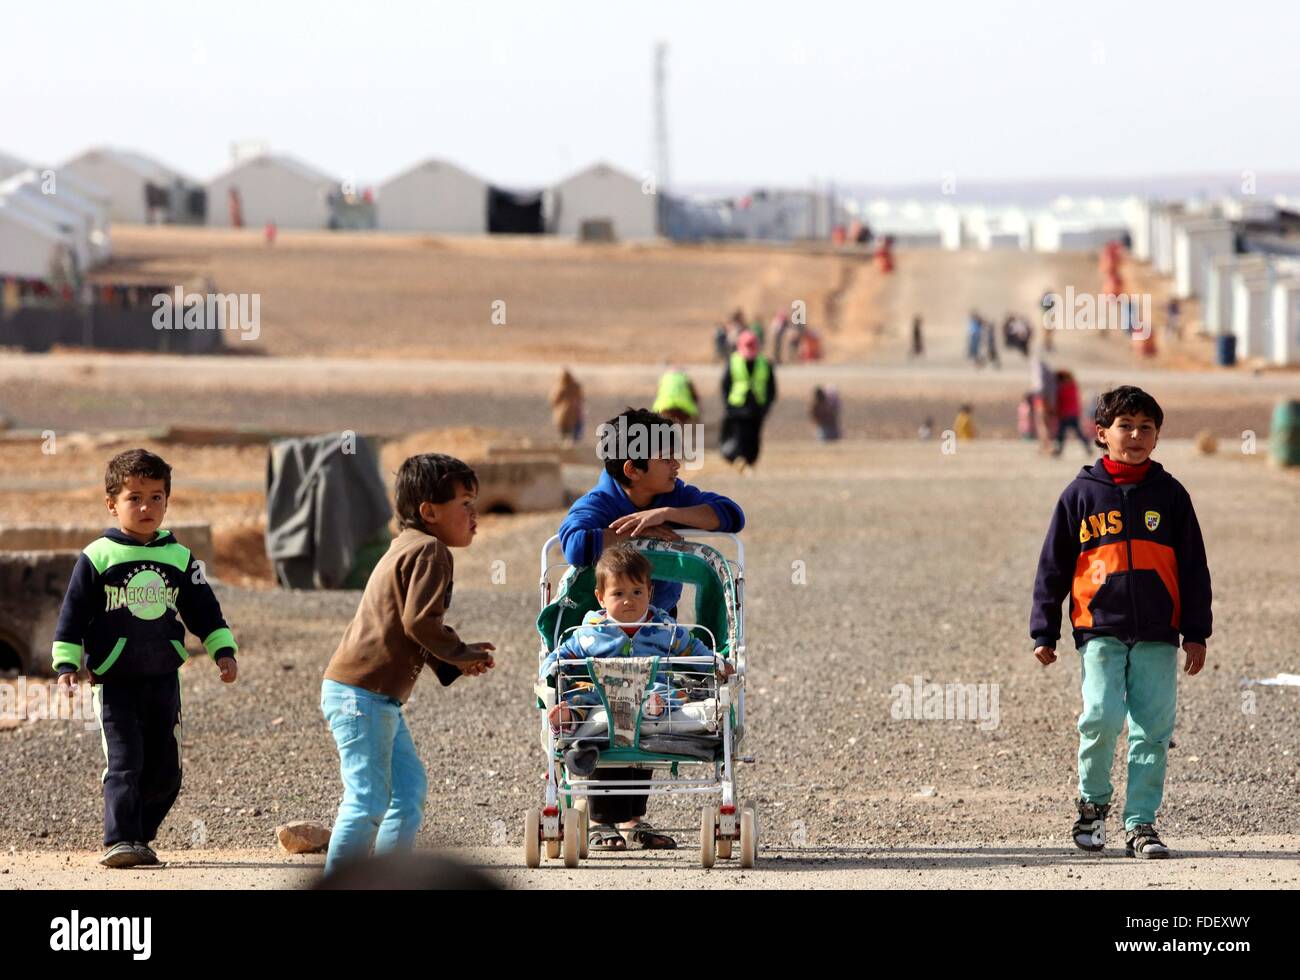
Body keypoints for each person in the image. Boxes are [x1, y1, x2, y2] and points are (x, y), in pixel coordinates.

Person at [1030, 386, 1212, 859]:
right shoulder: (1080, 496)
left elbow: (1194, 567)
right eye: (1125, 426)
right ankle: (1092, 806)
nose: (1135, 435)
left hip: (1158, 633)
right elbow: (1053, 566)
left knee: (1151, 729)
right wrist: (1043, 630)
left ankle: (1141, 824)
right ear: (1101, 433)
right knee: (1101, 717)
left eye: (1146, 427)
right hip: (1100, 630)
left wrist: (1196, 632)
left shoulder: (1171, 496)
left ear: (1157, 436)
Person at [557, 408, 745, 848]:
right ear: (633, 468)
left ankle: (630, 818)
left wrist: (667, 512)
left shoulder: (675, 495)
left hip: (657, 630)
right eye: (667, 457)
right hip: (600, 637)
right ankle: (603, 818)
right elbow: (576, 543)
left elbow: (731, 515)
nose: (677, 464)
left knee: (649, 714)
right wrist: (647, 534)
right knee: (608, 712)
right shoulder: (600, 503)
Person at [52, 449, 239, 868]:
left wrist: (222, 650)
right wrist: (66, 665)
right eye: (134, 497)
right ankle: (120, 840)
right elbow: (72, 615)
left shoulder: (179, 558)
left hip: (163, 679)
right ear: (112, 504)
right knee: (124, 762)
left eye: (156, 497)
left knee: (166, 771)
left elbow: (204, 611)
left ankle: (140, 836)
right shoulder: (98, 557)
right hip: (114, 680)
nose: (146, 507)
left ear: (167, 502)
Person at [320, 454, 496, 876]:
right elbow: (420, 622)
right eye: (464, 503)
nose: (474, 514)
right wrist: (458, 653)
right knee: (367, 801)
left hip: (373, 698)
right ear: (429, 512)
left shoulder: (407, 545)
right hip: (363, 696)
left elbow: (411, 625)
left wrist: (454, 660)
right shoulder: (431, 551)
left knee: (408, 791)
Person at [540, 545, 715, 739]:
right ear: (601, 598)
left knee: (673, 694)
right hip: (602, 692)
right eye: (618, 594)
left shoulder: (664, 627)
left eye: (637, 592)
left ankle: (654, 711)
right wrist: (550, 668)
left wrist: (715, 664)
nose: (628, 601)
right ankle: (568, 721)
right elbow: (565, 653)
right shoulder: (590, 631)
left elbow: (691, 647)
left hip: (650, 688)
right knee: (580, 697)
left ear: (650, 592)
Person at [720, 330, 777, 472]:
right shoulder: (733, 361)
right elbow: (725, 385)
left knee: (754, 437)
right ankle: (739, 460)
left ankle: (750, 462)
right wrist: (728, 405)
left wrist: (766, 407)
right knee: (738, 435)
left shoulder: (764, 363)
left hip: (757, 408)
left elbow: (771, 388)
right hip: (738, 407)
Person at [1052, 370, 1091, 456]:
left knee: (1061, 434)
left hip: (1064, 414)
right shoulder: (1073, 386)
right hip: (1074, 414)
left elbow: (1059, 401)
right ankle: (1088, 448)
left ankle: (1059, 451)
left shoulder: (1061, 388)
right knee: (1079, 433)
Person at [550, 369, 584, 445]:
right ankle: (574, 443)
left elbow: (553, 401)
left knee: (565, 435)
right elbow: (581, 398)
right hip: (574, 415)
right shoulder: (576, 386)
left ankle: (567, 444)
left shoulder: (559, 388)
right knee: (575, 434)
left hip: (561, 416)